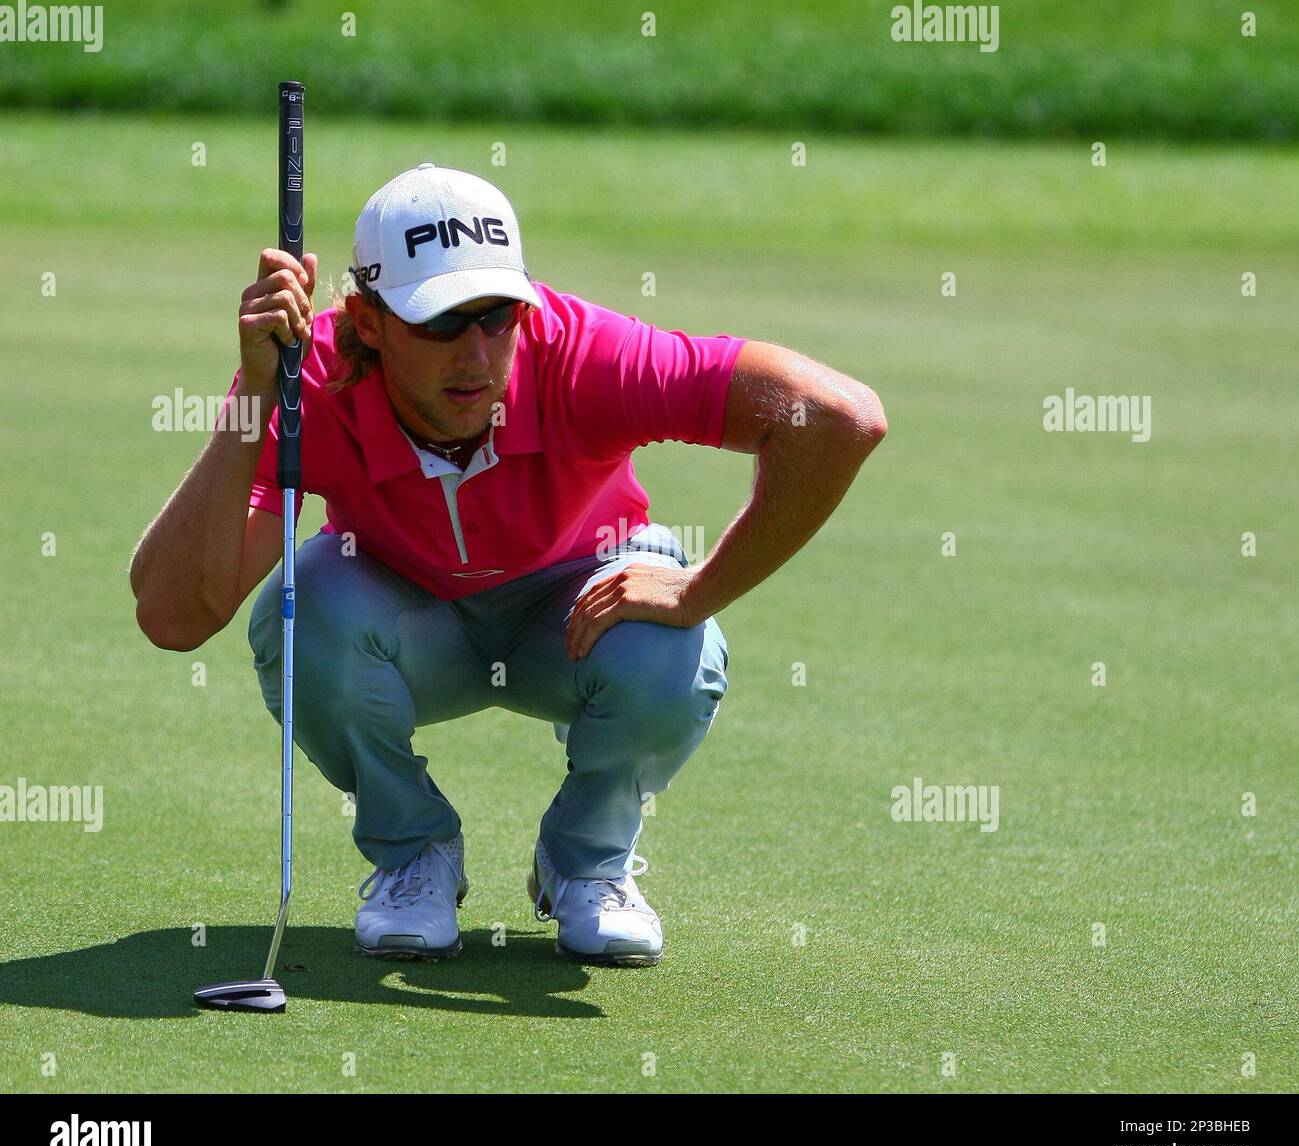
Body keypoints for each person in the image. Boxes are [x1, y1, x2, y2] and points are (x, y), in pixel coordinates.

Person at [129, 163, 887, 968]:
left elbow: (840, 418)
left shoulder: (584, 354)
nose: (477, 354)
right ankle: (412, 855)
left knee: (677, 644)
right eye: (441, 323)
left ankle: (587, 863)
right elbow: (175, 614)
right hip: (410, 619)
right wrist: (252, 393)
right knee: (303, 605)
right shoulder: (304, 381)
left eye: (497, 317)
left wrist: (700, 588)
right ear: (370, 320)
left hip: (576, 612)